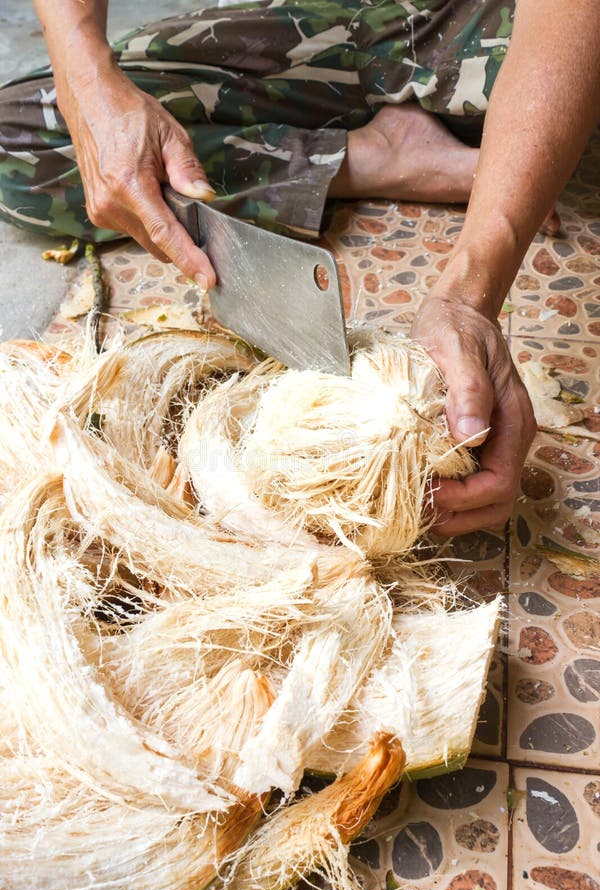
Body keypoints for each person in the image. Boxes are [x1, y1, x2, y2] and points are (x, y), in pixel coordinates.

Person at [1, 0, 598, 536]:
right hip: (336, 14)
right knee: (18, 138)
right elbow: (83, 83)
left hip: (494, 24)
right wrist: (91, 89)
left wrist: (470, 291)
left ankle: (506, 149)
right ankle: (379, 156)